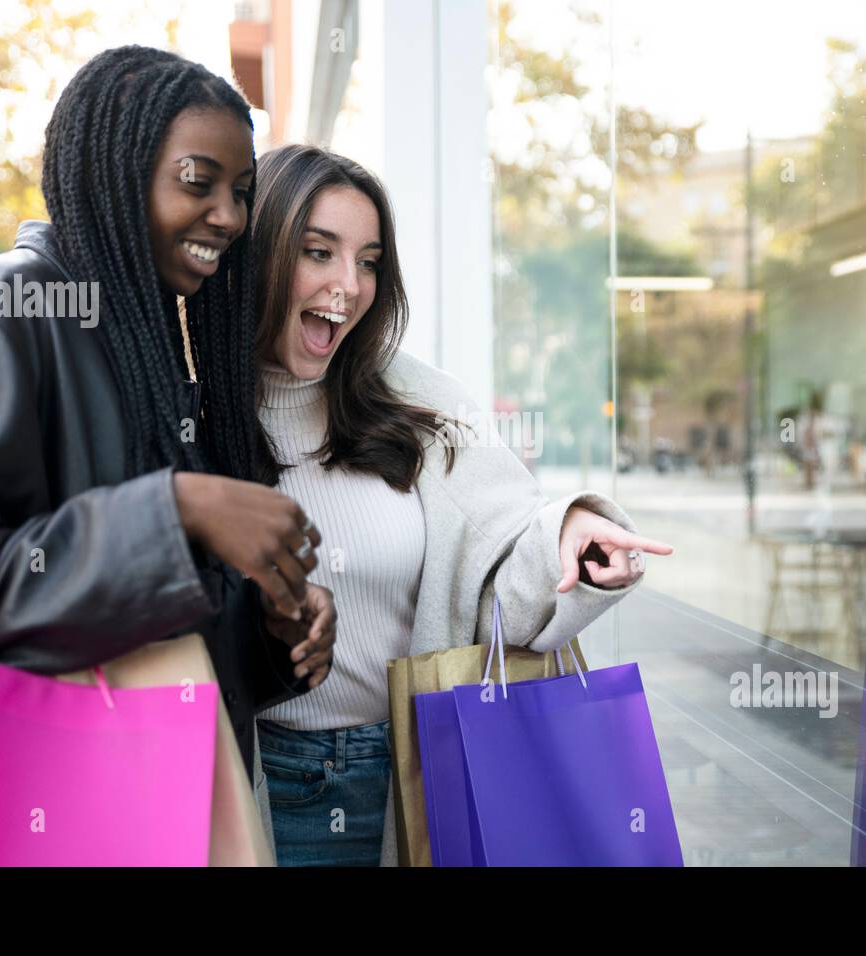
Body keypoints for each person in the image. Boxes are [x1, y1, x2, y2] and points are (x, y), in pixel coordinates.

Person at [0, 47, 337, 850]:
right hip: (11, 818)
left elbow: (144, 637)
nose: (230, 215)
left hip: (142, 808)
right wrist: (176, 511)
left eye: (241, 192)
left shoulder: (139, 346)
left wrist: (271, 635)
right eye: (197, 180)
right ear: (115, 170)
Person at [248, 144, 673, 866]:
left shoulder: (419, 400)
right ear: (261, 254)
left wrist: (569, 536)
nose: (348, 286)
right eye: (319, 252)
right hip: (249, 776)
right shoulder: (196, 408)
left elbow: (505, 553)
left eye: (370, 261)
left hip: (409, 769)